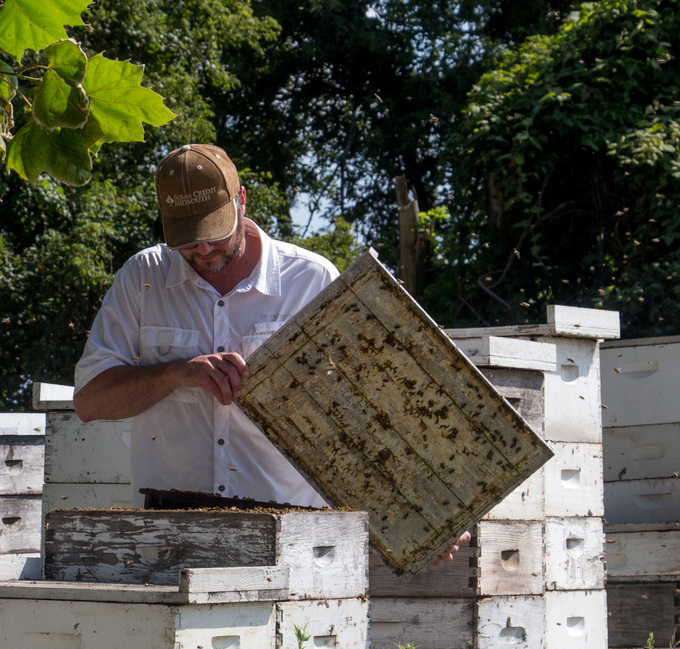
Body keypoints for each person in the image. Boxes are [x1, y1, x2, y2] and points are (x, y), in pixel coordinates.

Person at [73, 143, 469, 565]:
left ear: (242, 200)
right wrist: (174, 374)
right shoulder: (142, 278)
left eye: (215, 233)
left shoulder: (311, 279)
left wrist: (425, 514)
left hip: (291, 538)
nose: (203, 251)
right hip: (171, 538)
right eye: (188, 241)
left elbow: (370, 412)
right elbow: (90, 401)